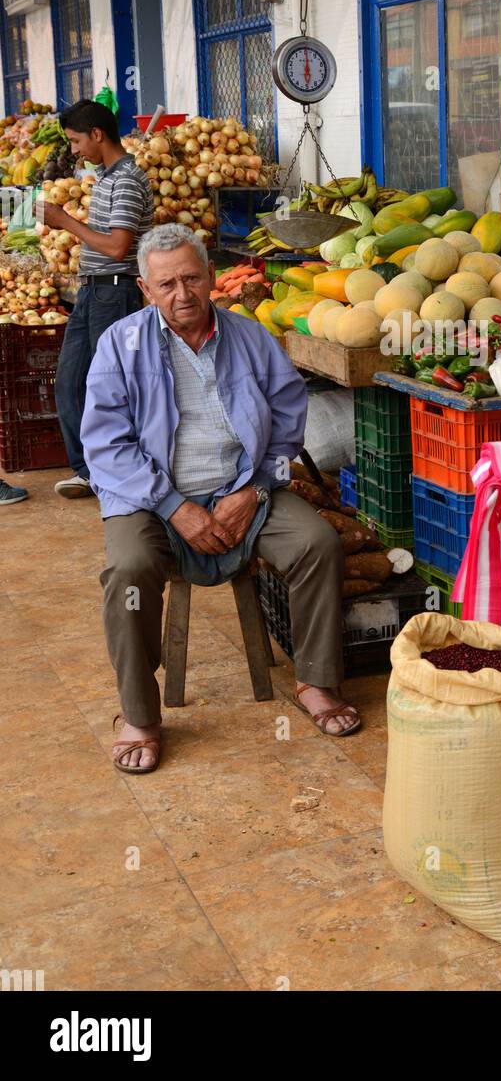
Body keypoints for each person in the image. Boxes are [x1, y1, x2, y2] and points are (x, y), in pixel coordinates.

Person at [81, 225, 357, 773]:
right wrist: (174, 506)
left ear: (210, 278)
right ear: (144, 289)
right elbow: (105, 445)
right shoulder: (121, 344)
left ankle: (316, 680)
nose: (181, 294)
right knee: (129, 571)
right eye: (166, 285)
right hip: (150, 498)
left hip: (244, 487)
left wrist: (254, 490)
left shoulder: (250, 337)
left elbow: (286, 423)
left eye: (190, 278)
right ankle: (139, 715)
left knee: (317, 543)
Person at [40, 100, 154, 500]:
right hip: (94, 289)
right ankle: (90, 469)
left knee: (109, 386)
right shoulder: (106, 177)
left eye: (75, 141)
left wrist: (66, 222)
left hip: (114, 291)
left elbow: (119, 247)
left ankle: (113, 471)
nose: (73, 151)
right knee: (70, 382)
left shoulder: (126, 179)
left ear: (97, 135)